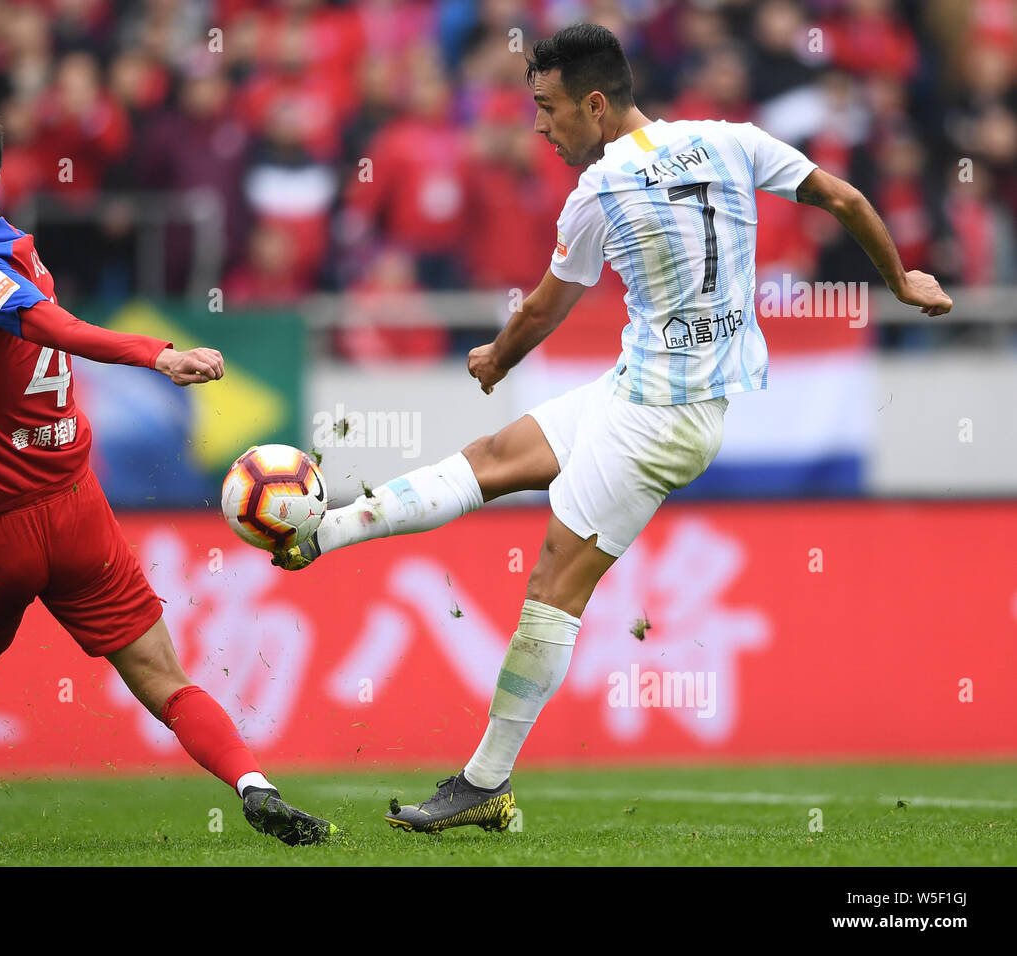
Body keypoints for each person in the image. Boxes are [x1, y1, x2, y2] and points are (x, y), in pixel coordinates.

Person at [271, 23, 952, 833]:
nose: (539, 125)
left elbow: (543, 308)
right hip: (638, 390)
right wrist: (901, 279)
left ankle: (486, 782)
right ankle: (325, 533)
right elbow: (845, 198)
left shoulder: (601, 189)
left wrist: (494, 356)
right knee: (494, 458)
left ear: (595, 105)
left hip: (659, 421)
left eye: (549, 108)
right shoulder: (726, 140)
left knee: (553, 587)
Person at [0, 103, 334, 847]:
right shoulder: (24, 253)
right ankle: (254, 784)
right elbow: (10, 372)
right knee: (165, 679)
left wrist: (158, 354)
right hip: (77, 509)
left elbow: (52, 330)